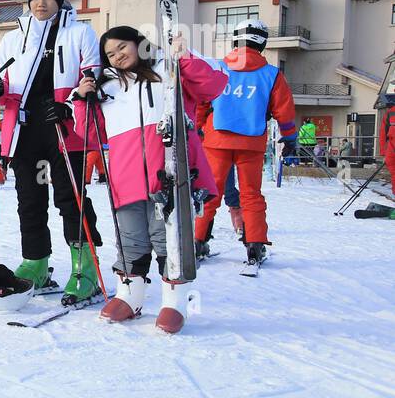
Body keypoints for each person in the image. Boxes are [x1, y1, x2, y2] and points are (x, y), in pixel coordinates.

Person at [76, 27, 226, 333]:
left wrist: (183, 57)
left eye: (123, 47)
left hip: (168, 173)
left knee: (167, 238)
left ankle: (174, 302)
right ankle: (130, 296)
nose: (118, 56)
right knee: (129, 238)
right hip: (125, 175)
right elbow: (92, 135)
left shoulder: (168, 70)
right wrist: (82, 100)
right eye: (111, 54)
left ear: (139, 44)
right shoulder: (110, 88)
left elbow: (213, 85)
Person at [0, 0, 103, 303]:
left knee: (71, 198)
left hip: (64, 128)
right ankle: (36, 261)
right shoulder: (13, 38)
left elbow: (91, 76)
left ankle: (85, 267)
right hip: (25, 129)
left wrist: (69, 105)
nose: (41, 2)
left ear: (60, 0)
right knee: (29, 200)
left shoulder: (80, 32)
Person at [192, 18, 298, 266]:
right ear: (262, 43)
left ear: (235, 40)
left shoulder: (218, 67)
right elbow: (284, 110)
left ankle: (198, 242)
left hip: (216, 141)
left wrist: (197, 127)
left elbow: (201, 102)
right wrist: (289, 137)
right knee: (251, 194)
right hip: (252, 143)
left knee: (209, 193)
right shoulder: (272, 74)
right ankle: (255, 246)